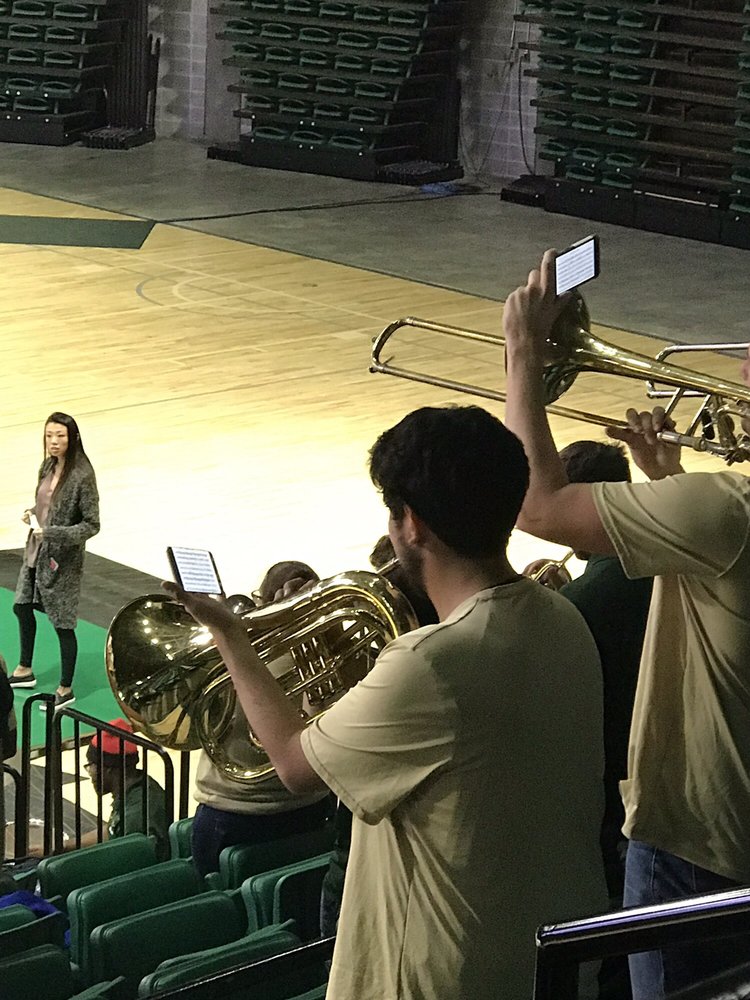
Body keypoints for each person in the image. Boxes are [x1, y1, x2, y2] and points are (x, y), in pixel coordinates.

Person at [163, 404, 607, 1000]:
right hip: (540, 959)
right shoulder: (563, 618)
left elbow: (295, 766)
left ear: (413, 525)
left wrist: (232, 637)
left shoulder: (430, 662)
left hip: (439, 975)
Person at [502, 249, 750, 999]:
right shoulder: (716, 515)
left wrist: (522, 353)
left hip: (695, 844)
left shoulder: (728, 511)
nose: (739, 370)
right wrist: (669, 486)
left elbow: (537, 506)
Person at [191, 560, 333, 879]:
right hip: (312, 811)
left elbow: (194, 727)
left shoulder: (232, 657)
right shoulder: (331, 649)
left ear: (262, 601)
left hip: (232, 815)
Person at [9, 412, 100, 711]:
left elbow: (91, 525)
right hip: (36, 550)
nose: (53, 442)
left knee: (63, 624)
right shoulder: (47, 465)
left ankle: (66, 688)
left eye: (60, 436)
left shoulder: (83, 475)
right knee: (21, 606)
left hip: (63, 561)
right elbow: (45, 501)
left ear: (72, 437)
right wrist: (31, 511)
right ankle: (24, 669)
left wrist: (52, 532)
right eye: (49, 435)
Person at [81, 719, 169, 860]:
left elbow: (124, 866)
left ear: (108, 769)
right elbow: (112, 830)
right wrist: (66, 845)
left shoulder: (135, 818)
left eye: (91, 765)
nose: (89, 771)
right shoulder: (138, 787)